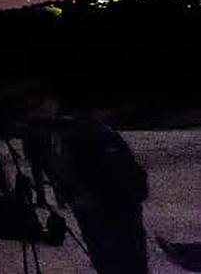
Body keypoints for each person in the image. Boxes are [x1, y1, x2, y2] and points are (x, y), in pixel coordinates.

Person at [42, 105, 149, 274]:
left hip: (121, 211)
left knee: (128, 262)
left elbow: (133, 172)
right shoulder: (75, 138)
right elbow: (63, 176)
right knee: (116, 263)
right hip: (102, 215)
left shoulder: (107, 137)